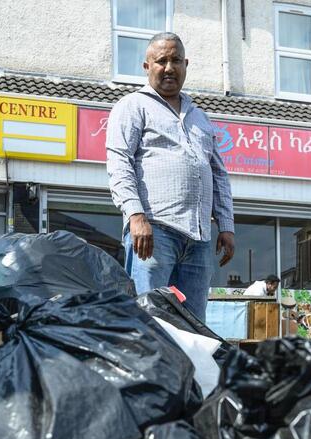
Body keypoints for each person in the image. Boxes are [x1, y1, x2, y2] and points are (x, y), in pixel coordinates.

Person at [106, 32, 235, 319]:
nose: (168, 67)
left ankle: (188, 367)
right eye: (161, 61)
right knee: (148, 318)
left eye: (175, 60)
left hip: (199, 239)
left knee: (193, 325)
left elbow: (218, 174)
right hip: (154, 232)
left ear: (186, 64)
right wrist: (135, 216)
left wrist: (226, 224)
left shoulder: (200, 117)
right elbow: (119, 162)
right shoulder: (132, 106)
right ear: (146, 66)